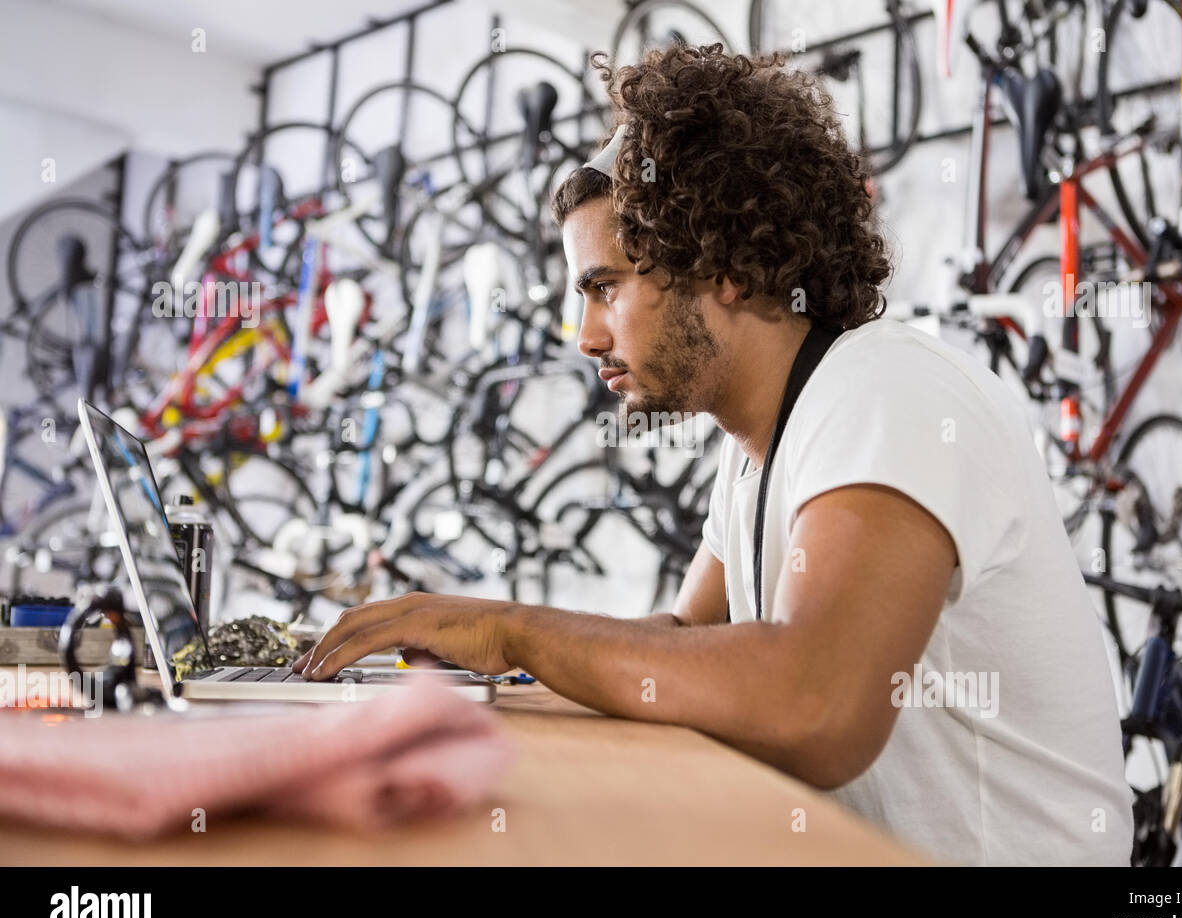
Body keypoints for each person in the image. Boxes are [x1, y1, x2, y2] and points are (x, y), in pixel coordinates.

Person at [294, 43, 1133, 866]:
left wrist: (513, 631)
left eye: (604, 288)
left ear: (725, 267)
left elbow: (816, 702)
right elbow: (682, 643)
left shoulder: (887, 390)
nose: (584, 337)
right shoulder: (755, 446)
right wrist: (465, 674)